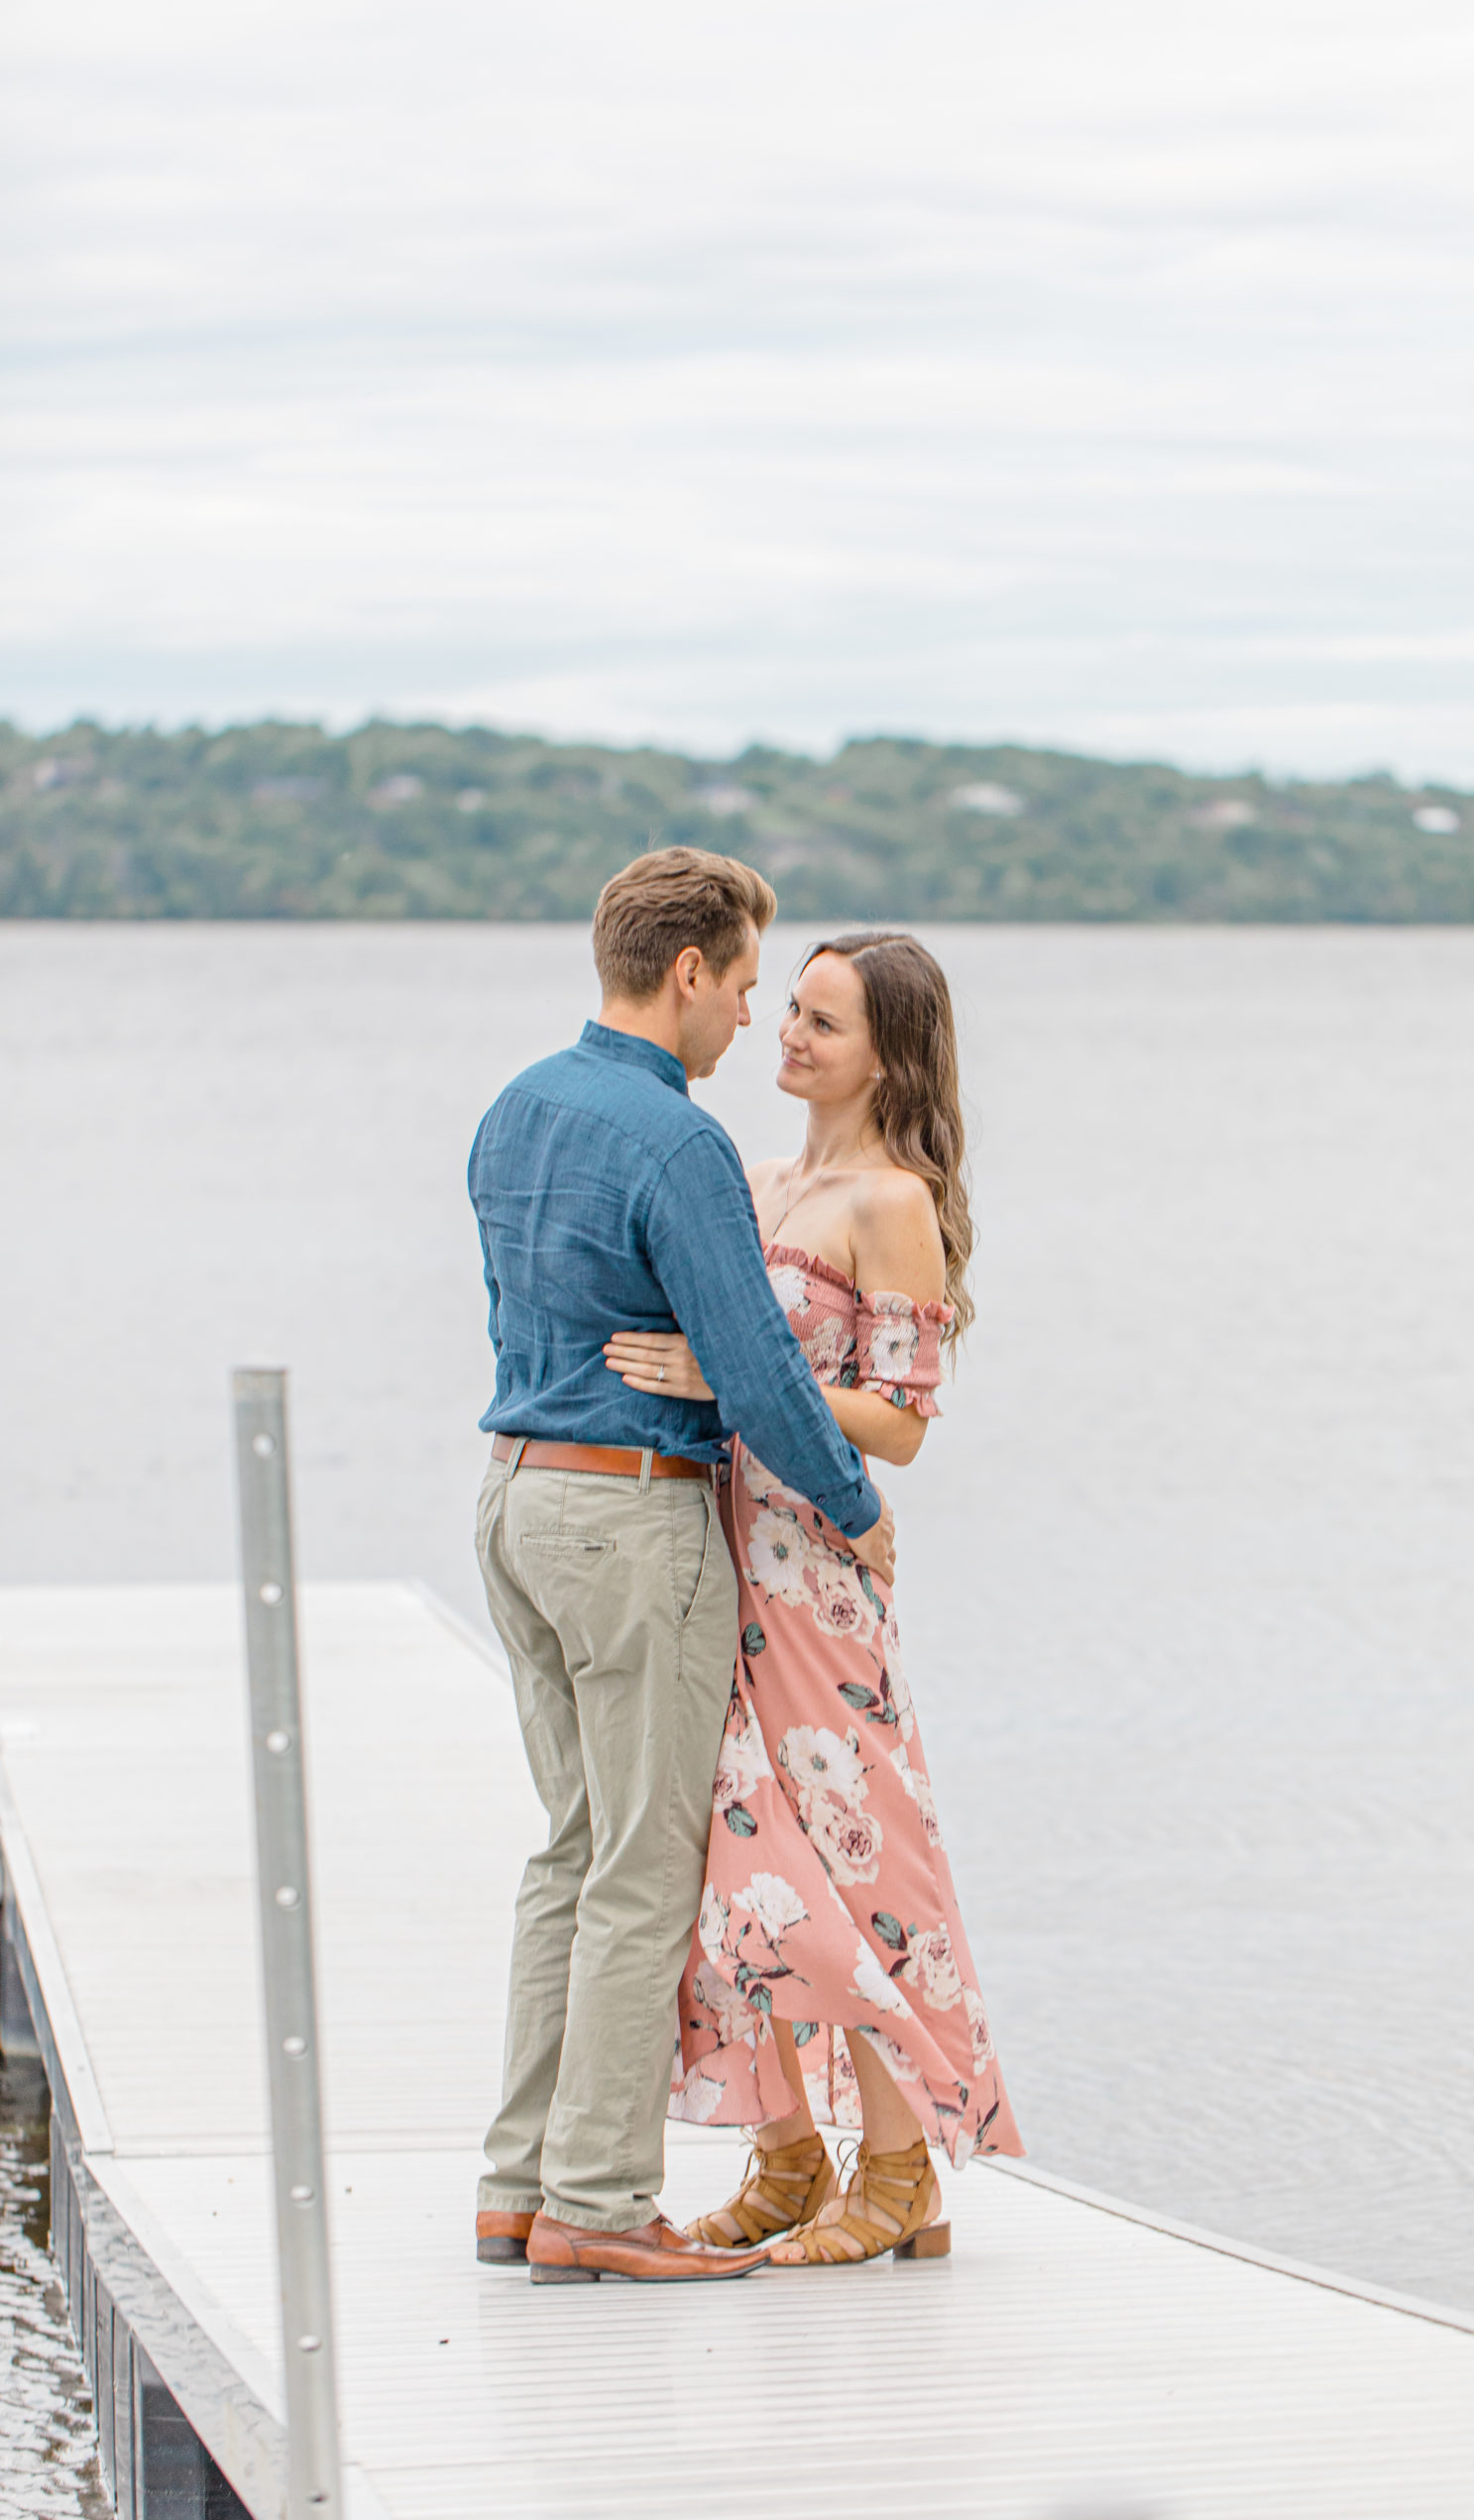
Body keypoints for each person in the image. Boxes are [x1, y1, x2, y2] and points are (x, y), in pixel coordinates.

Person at [469, 850, 896, 2285]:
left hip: (515, 1500)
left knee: (570, 1854)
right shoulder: (679, 1143)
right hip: (627, 1519)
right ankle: (595, 2201)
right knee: (646, 1871)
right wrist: (855, 1506)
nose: (746, 1023)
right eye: (745, 989)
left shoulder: (515, 1105)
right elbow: (765, 1373)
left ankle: (516, 2186)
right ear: (690, 973)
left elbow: (514, 1315)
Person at [603, 931, 1022, 2266]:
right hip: (713, 1550)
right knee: (736, 1869)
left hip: (814, 1579)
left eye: (823, 1022)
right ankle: (786, 2159)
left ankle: (899, 2173)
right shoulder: (758, 1174)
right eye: (787, 1009)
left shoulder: (888, 1202)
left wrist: (717, 1381)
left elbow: (897, 1427)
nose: (786, 1034)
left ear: (890, 1053)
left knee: (850, 1866)